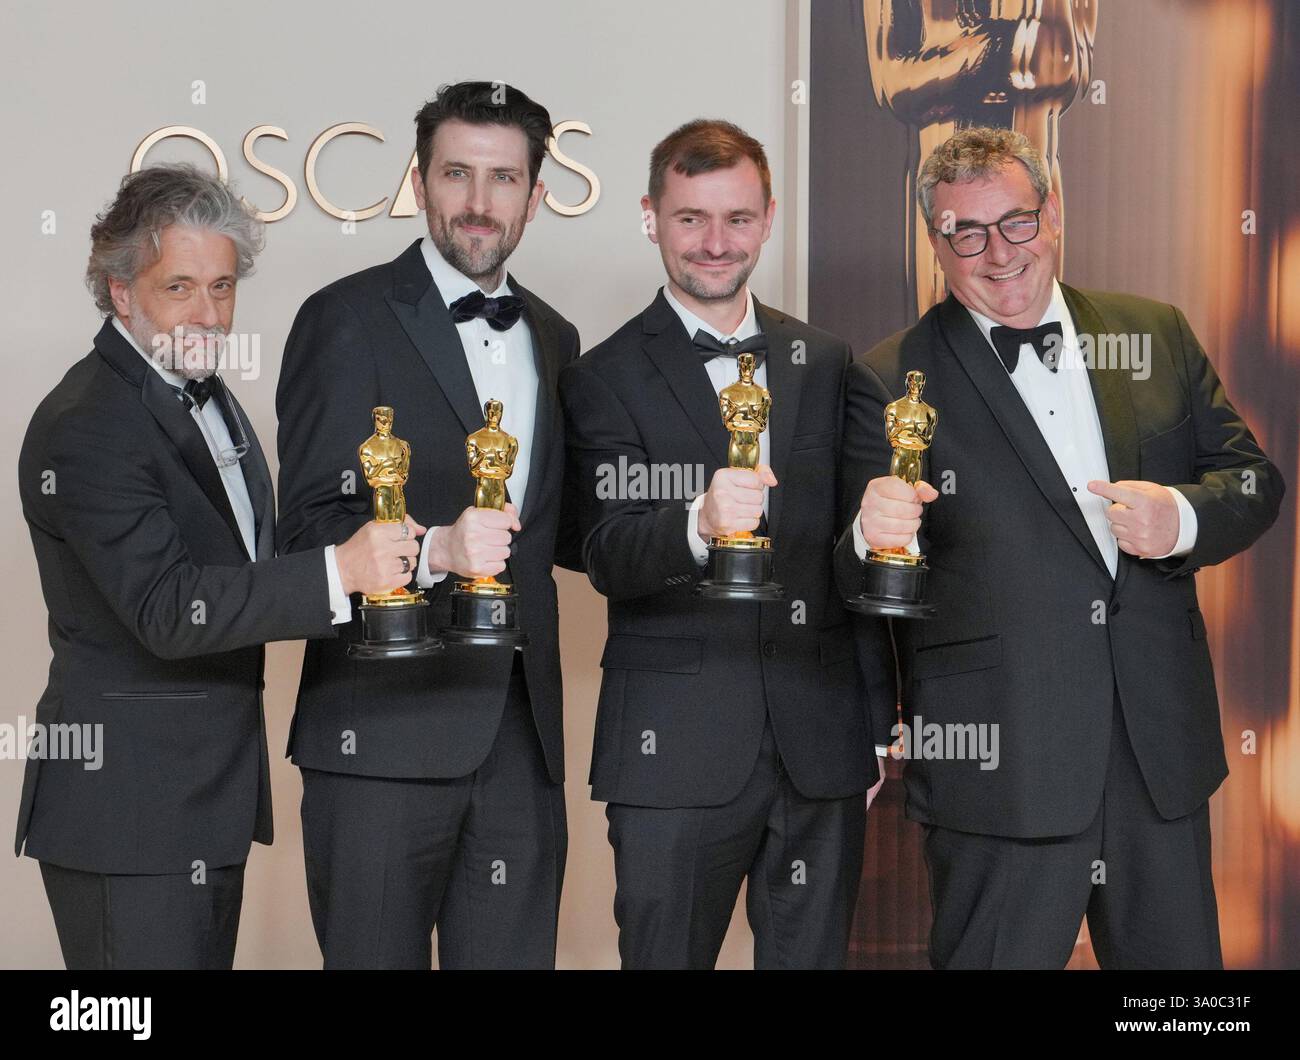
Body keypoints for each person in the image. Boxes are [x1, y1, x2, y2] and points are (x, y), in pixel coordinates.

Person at [842, 126, 1284, 968]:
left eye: (1014, 221)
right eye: (963, 232)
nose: (995, 251)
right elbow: (858, 585)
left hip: (1157, 752)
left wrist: (1183, 520)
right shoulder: (887, 378)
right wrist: (870, 534)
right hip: (1002, 761)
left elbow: (1254, 481)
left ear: (1054, 216)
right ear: (933, 241)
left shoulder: (1155, 333)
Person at [15, 164, 419, 969]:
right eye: (180, 287)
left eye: (224, 287)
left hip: (203, 802)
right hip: (128, 813)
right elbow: (168, 608)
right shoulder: (90, 423)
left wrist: (422, 553)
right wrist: (341, 572)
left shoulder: (200, 392)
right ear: (121, 291)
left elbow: (246, 569)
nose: (208, 315)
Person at [559, 119, 894, 969]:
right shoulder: (601, 377)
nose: (715, 243)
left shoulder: (824, 360)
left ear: (769, 217)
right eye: (690, 219)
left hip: (820, 747)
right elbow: (605, 553)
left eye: (737, 219)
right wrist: (696, 524)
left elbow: (851, 557)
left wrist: (875, 724)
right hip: (670, 754)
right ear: (649, 217)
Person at [275, 81, 580, 969]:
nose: (479, 203)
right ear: (419, 182)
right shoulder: (343, 318)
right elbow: (307, 532)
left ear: (533, 193)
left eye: (503, 178)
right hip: (379, 737)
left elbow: (567, 529)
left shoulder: (556, 338)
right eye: (458, 174)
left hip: (522, 743)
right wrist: (436, 549)